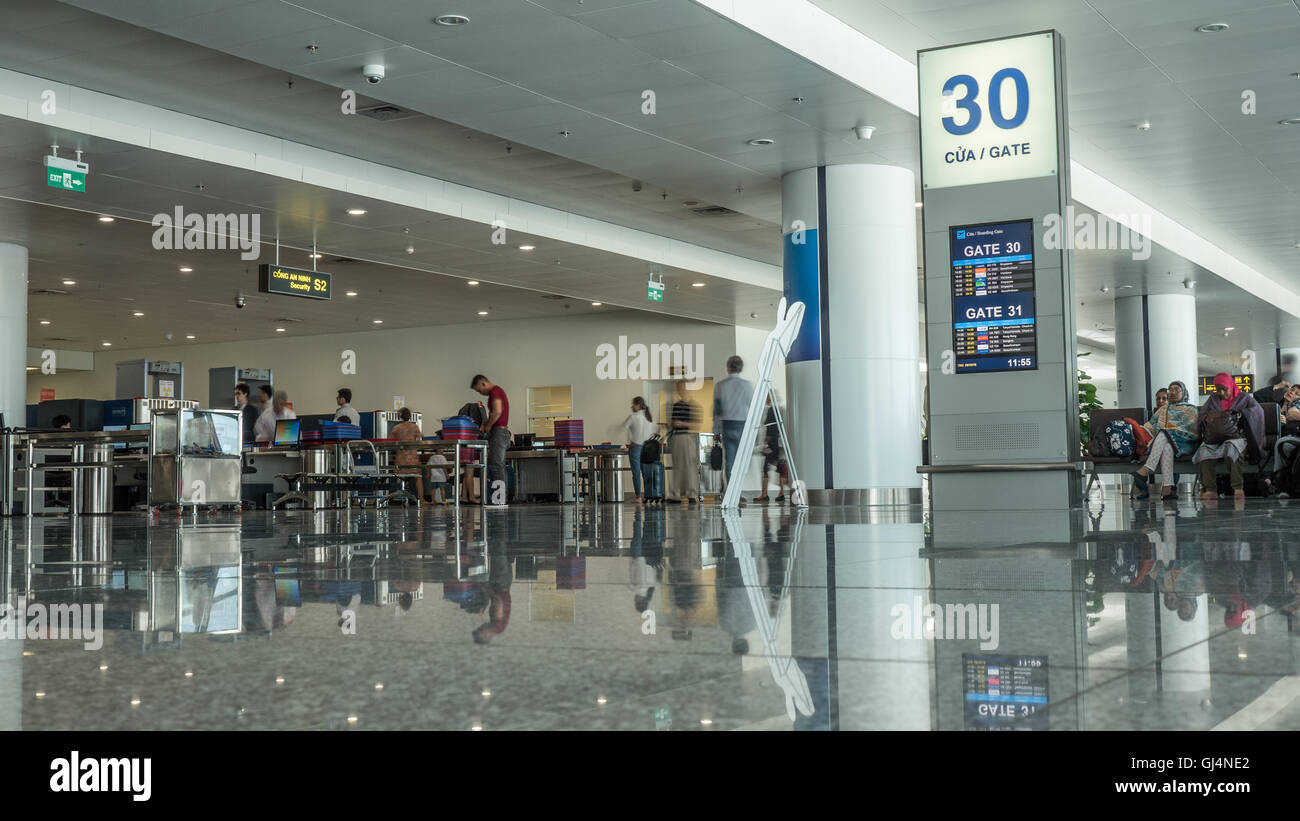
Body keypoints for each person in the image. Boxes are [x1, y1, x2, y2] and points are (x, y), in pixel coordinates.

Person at [1194, 372, 1264, 500]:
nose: (1221, 393)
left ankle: (1238, 488)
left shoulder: (1244, 398)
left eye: (1224, 389)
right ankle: (1210, 489)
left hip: (1237, 437)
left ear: (1231, 386)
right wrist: (1207, 418)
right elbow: (1202, 415)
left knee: (1232, 448)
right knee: (1204, 451)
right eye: (1218, 389)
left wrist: (1241, 414)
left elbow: (1257, 411)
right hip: (1214, 438)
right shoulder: (1213, 398)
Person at [1133, 381, 1197, 501]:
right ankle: (1168, 489)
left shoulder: (1190, 409)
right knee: (1167, 445)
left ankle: (1147, 469)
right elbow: (1151, 426)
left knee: (1164, 433)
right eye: (1170, 389)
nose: (1172, 392)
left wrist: (1171, 431)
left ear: (1183, 392)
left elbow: (1193, 430)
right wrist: (1138, 429)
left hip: (1186, 442)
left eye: (1176, 390)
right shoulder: (1163, 409)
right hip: (1165, 442)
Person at [714, 355, 754, 490]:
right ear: (741, 368)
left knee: (729, 461)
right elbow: (752, 408)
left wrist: (715, 431)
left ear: (728, 367)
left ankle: (731, 491)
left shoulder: (720, 386)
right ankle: (739, 491)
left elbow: (717, 411)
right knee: (741, 461)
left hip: (727, 426)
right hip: (742, 425)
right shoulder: (747, 386)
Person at [470, 374, 510, 505]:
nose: (480, 393)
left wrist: (488, 425)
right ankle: (500, 499)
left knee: (497, 466)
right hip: (499, 432)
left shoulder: (495, 391)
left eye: (479, 390)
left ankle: (499, 500)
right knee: (497, 466)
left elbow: (497, 412)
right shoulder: (495, 392)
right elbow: (495, 413)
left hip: (499, 433)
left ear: (483, 384)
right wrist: (486, 423)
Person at [619, 396, 658, 504]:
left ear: (638, 405)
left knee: (636, 473)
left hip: (635, 447)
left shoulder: (633, 417)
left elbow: (622, 427)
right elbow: (655, 431)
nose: (632, 406)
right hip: (647, 448)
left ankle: (638, 497)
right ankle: (648, 495)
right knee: (646, 472)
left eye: (633, 404)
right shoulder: (649, 418)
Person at [753, 395, 790, 504]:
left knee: (765, 469)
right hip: (779, 443)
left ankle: (764, 494)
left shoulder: (771, 410)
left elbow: (771, 428)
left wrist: (766, 442)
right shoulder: (780, 409)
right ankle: (781, 493)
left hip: (772, 444)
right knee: (780, 468)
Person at [669, 380, 700, 504]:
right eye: (679, 388)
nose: (681, 390)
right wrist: (672, 424)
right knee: (677, 466)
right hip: (676, 436)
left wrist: (682, 423)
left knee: (689, 466)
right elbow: (671, 423)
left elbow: (696, 424)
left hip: (687, 436)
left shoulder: (693, 405)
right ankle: (675, 494)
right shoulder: (676, 405)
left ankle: (691, 494)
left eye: (683, 388)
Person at [390, 407, 427, 506]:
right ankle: (421, 499)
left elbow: (390, 441)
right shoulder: (415, 427)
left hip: (401, 457)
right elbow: (419, 440)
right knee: (418, 478)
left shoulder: (396, 428)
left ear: (400, 416)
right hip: (412, 457)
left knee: (399, 476)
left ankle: (397, 498)